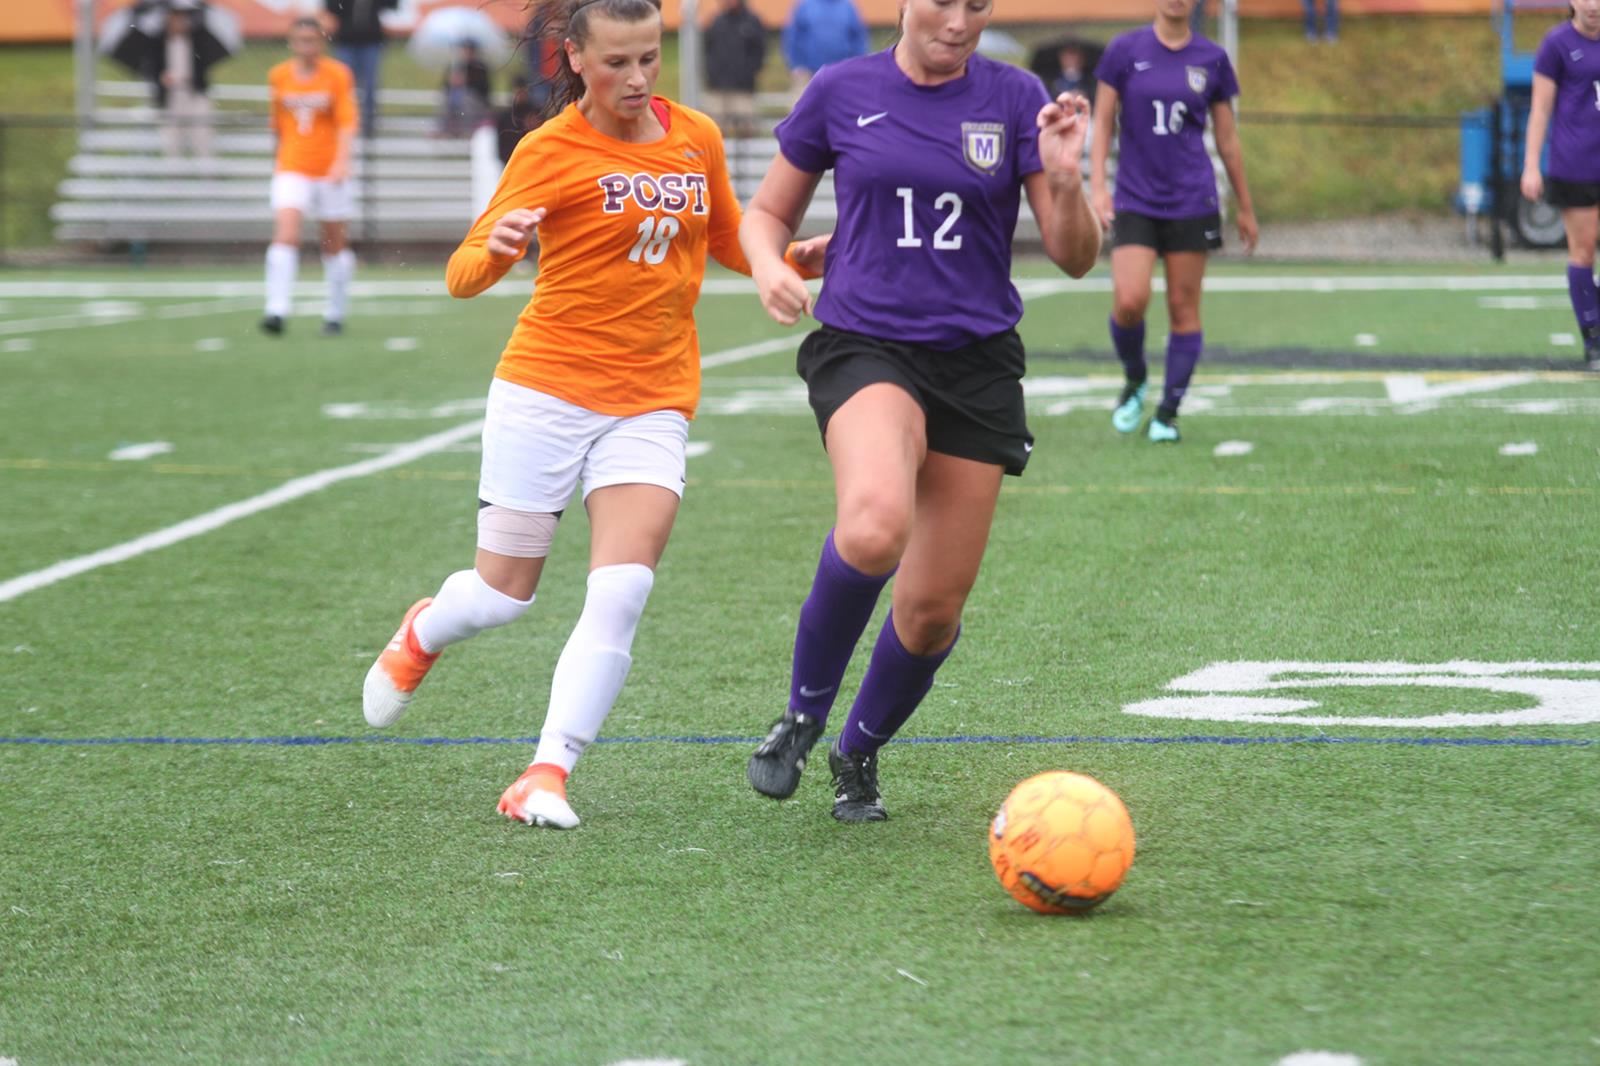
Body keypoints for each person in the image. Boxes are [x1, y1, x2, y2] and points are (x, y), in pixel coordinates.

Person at [361, 0, 825, 830]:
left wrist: (789, 258)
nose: (639, 78)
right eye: (617, 62)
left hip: (652, 399)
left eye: (649, 57)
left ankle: (547, 772)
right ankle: (426, 628)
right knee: (505, 596)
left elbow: (724, 236)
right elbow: (461, 273)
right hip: (546, 391)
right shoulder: (549, 150)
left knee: (622, 591)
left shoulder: (696, 136)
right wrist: (497, 249)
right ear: (574, 58)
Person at [739, 0, 1099, 822]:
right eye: (944, 0)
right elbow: (766, 215)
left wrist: (1069, 178)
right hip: (868, 346)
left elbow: (1077, 257)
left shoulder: (1015, 97)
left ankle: (856, 751)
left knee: (932, 613)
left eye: (979, 4)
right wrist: (767, 267)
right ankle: (801, 715)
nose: (960, 20)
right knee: (873, 525)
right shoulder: (839, 88)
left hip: (977, 367)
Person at [1090, 0, 1257, 443]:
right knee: (1130, 300)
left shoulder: (1212, 58)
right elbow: (1102, 123)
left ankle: (1167, 414)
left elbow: (1227, 140)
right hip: (1135, 199)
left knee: (1184, 311)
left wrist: (1245, 205)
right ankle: (1135, 378)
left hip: (1191, 200)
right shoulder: (1124, 51)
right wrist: (1098, 186)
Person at [262, 18, 358, 337]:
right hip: (291, 166)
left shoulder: (337, 74)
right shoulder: (279, 75)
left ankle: (336, 311)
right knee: (285, 234)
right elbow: (277, 124)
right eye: (300, 40)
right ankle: (276, 309)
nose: (307, 46)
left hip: (328, 168)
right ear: (291, 43)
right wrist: (278, 159)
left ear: (321, 43)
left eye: (312, 40)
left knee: (333, 244)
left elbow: (346, 122)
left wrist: (341, 163)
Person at [1521, 0, 1600, 370]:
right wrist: (1530, 166)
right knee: (1583, 251)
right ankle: (1593, 338)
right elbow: (1540, 109)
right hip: (1575, 165)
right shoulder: (1556, 44)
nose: (1593, 5)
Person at [147, 0, 214, 159]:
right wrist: (162, 78)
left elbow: (204, 67)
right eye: (175, 17)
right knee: (172, 140)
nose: (179, 22)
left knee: (202, 137)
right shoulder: (158, 43)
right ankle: (173, 178)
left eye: (183, 18)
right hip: (171, 96)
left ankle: (206, 176)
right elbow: (151, 69)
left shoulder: (198, 41)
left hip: (194, 93)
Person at [324, 0, 398, 135]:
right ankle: (343, 117)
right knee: (344, 82)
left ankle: (369, 120)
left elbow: (392, 6)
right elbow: (331, 8)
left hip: (371, 41)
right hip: (346, 41)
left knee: (370, 82)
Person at [703, 0, 768, 140]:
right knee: (714, 131)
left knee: (746, 131)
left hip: (743, 88)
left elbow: (760, 52)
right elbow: (708, 50)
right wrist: (712, 74)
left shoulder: (752, 21)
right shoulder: (716, 22)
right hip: (718, 88)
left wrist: (749, 73)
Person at [781, 0, 868, 92]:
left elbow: (858, 39)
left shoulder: (848, 6)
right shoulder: (804, 5)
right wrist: (796, 65)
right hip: (809, 74)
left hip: (842, 73)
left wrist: (858, 66)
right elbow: (793, 38)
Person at [439, 39, 493, 136]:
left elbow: (484, 89)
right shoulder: (456, 66)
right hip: (455, 101)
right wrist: (452, 82)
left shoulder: (480, 67)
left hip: (475, 101)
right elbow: (445, 87)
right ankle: (447, 128)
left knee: (466, 100)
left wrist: (468, 81)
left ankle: (467, 130)